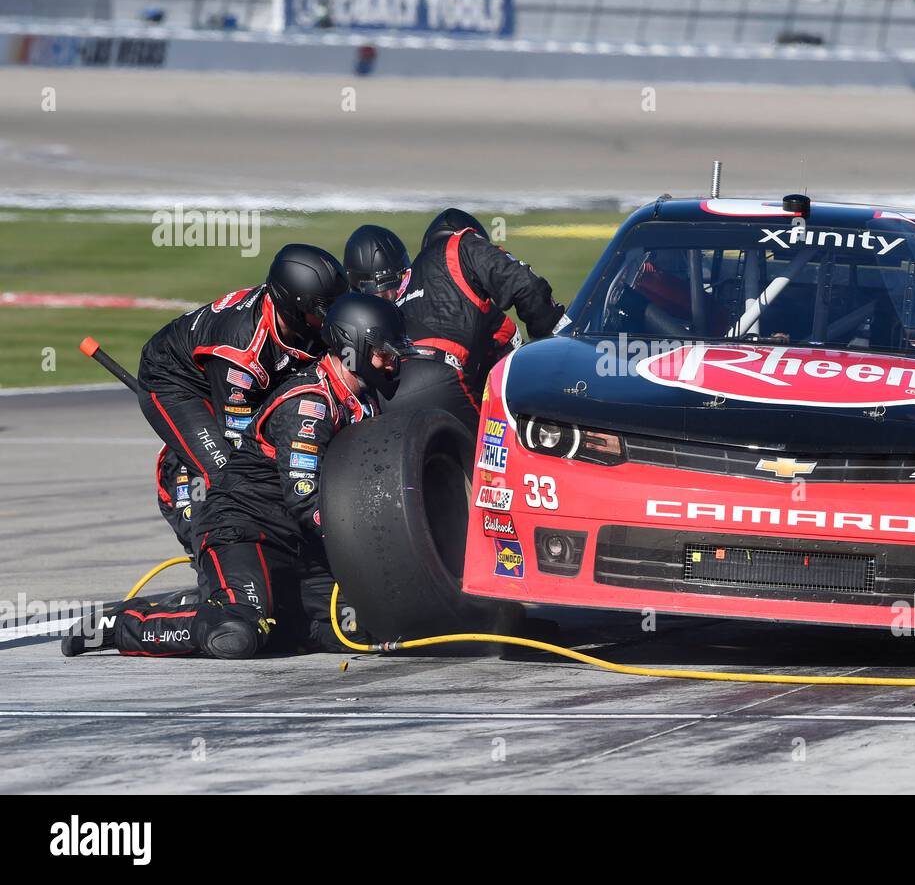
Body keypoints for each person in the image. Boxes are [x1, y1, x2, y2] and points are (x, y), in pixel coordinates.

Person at [63, 293, 405, 659]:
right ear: (354, 345)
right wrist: (368, 547)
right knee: (236, 631)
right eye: (385, 353)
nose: (392, 364)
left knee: (359, 626)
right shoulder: (308, 406)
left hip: (298, 547)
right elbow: (305, 497)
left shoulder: (360, 401)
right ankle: (122, 625)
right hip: (244, 529)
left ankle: (232, 601)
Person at [137, 245, 349, 552]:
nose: (330, 319)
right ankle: (212, 549)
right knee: (227, 475)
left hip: (228, 372)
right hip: (174, 383)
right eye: (322, 311)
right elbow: (242, 440)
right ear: (292, 306)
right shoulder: (242, 353)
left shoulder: (296, 320)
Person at [385, 208, 564, 429]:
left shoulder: (406, 282)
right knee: (496, 454)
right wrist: (552, 338)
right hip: (440, 377)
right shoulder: (462, 243)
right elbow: (526, 286)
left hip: (389, 392)